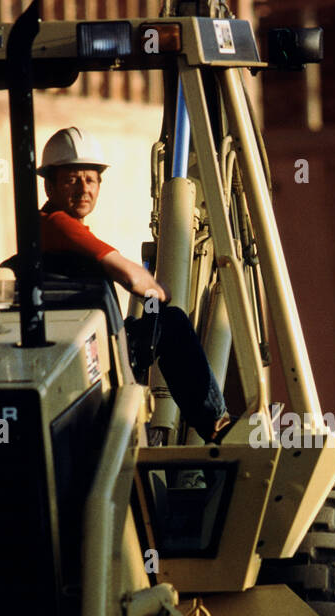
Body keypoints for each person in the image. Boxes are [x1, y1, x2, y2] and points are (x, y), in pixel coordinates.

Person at [36, 126, 232, 443]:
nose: (83, 188)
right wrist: (160, 291)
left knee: (151, 324)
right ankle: (216, 425)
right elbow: (131, 277)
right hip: (89, 355)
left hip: (78, 347)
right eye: (72, 179)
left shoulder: (49, 229)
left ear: (100, 184)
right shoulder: (57, 224)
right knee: (171, 323)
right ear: (50, 185)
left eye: (90, 179)